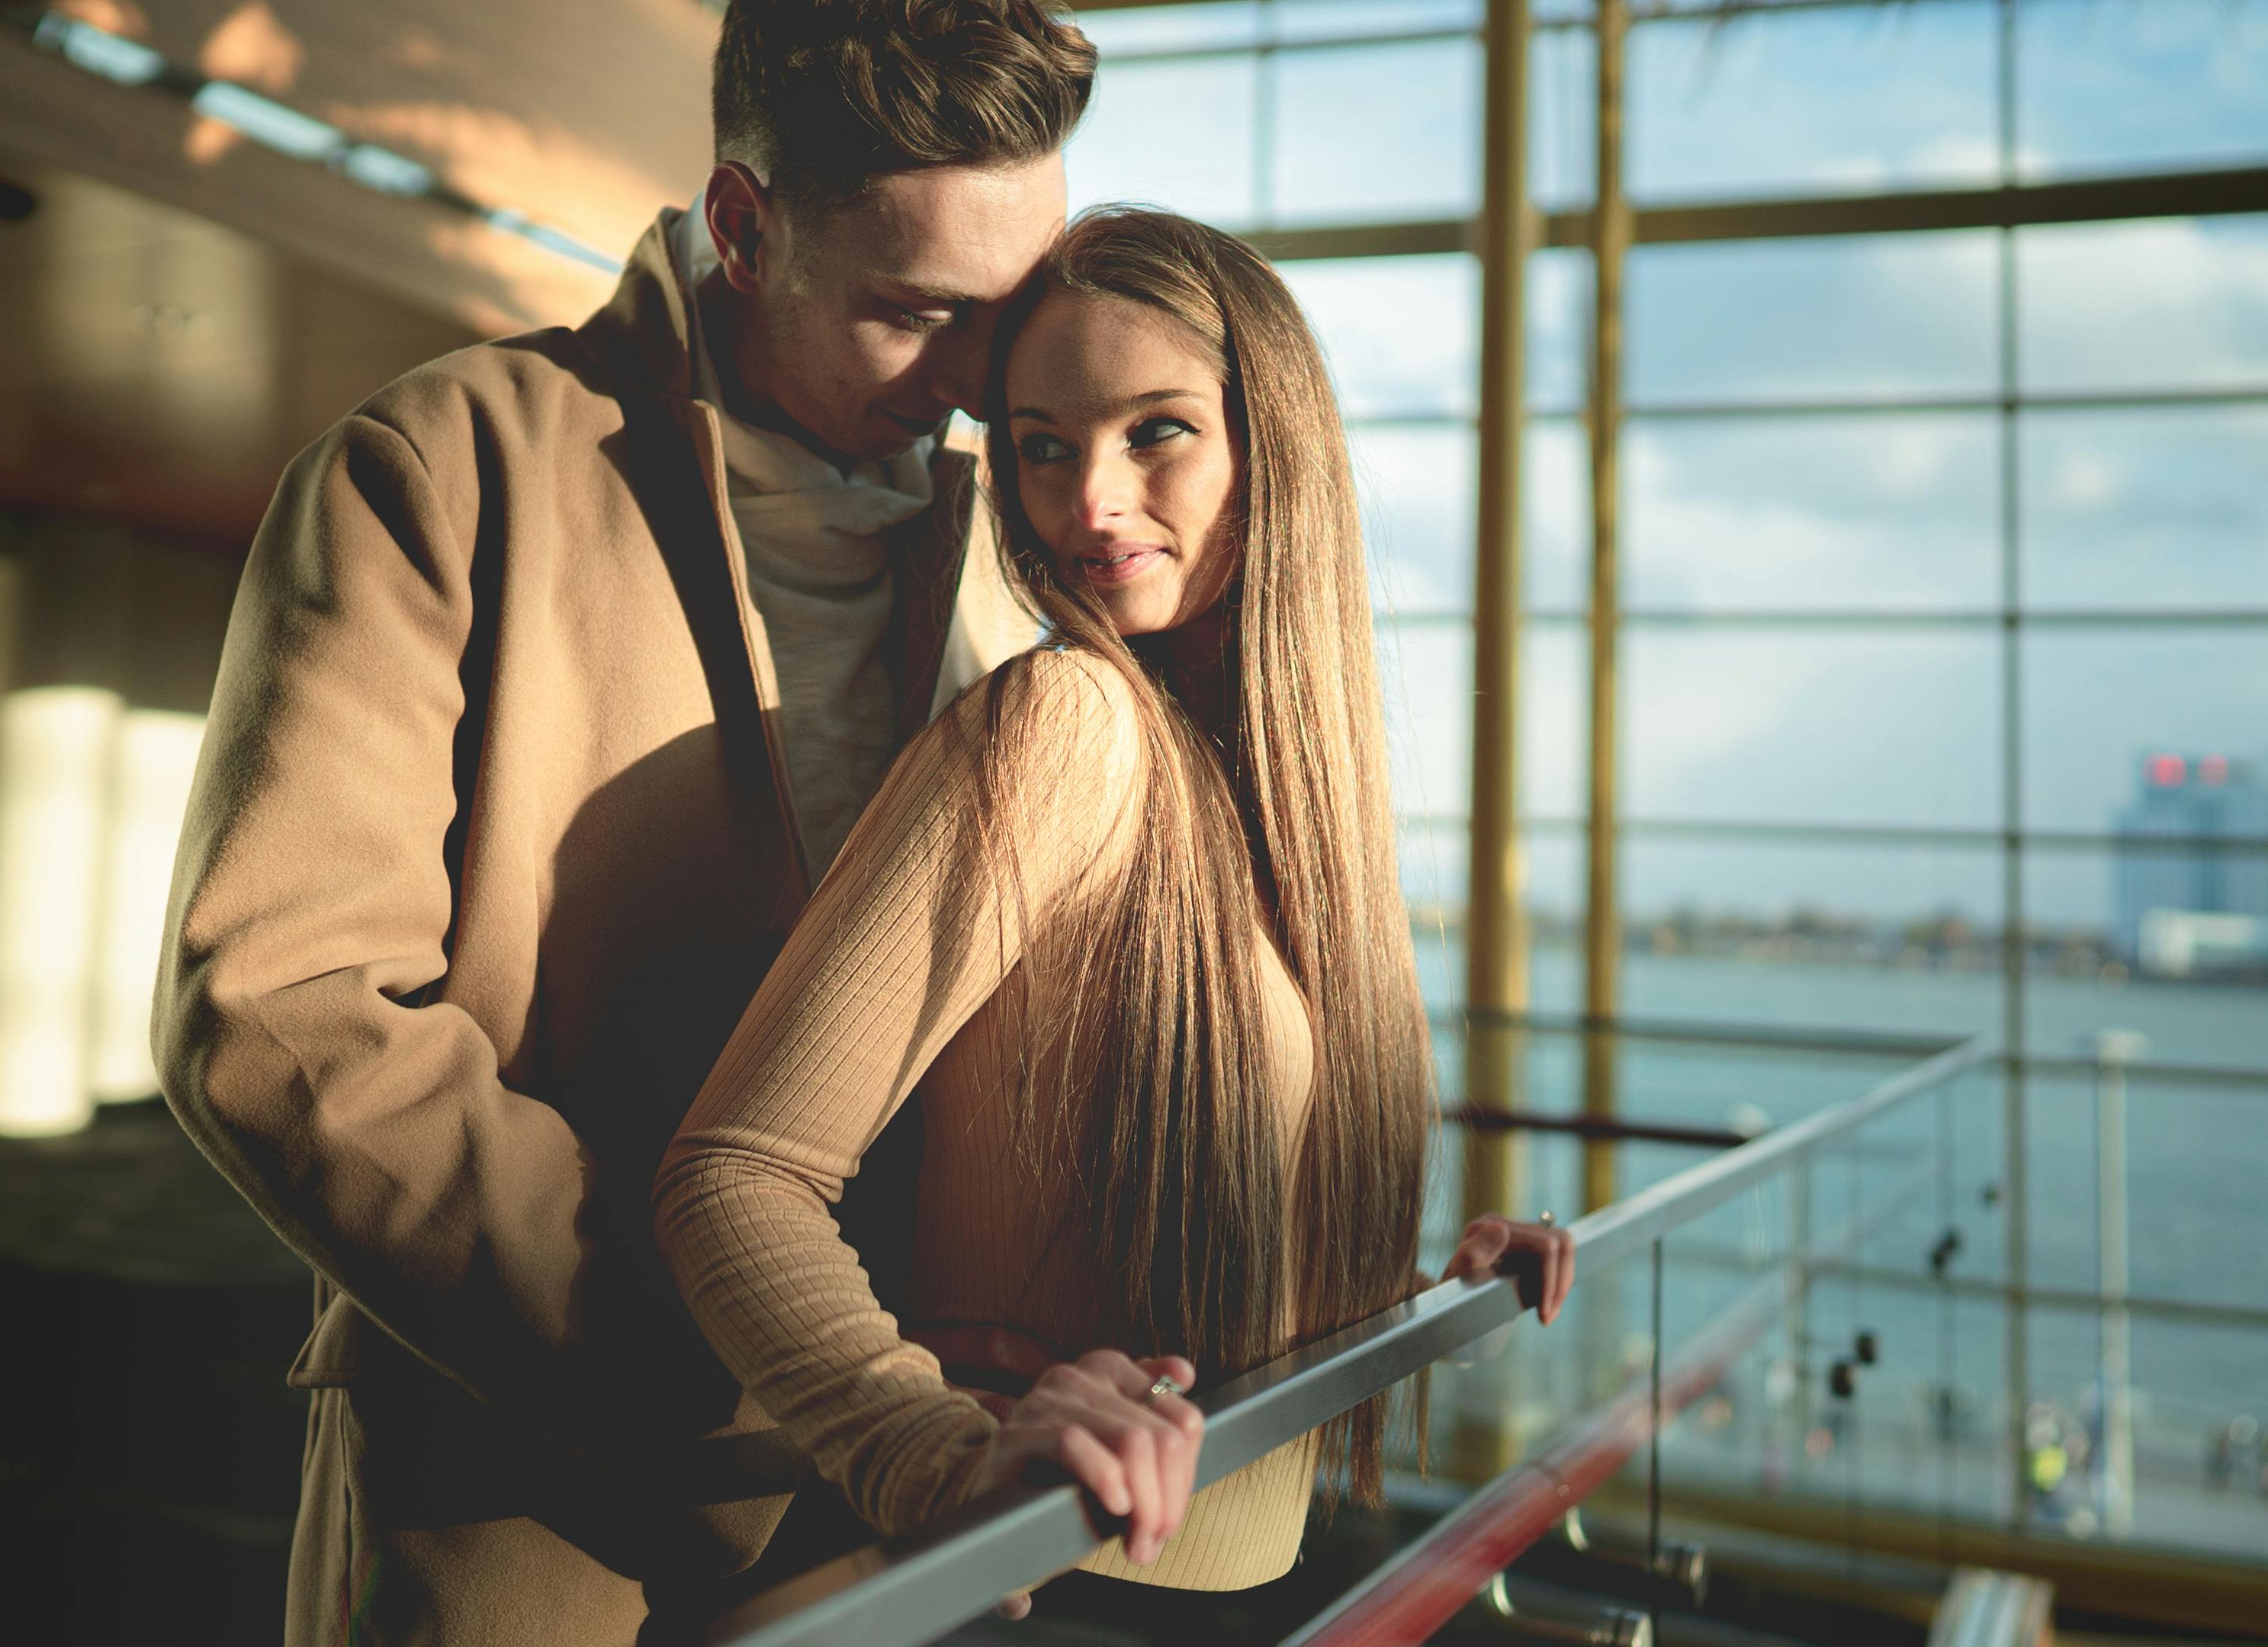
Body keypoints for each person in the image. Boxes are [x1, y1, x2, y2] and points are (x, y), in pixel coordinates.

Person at [150, 5, 1099, 1642]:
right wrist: (755, 1350)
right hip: (524, 1449)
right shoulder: (440, 462)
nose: (969, 377)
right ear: (743, 225)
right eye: (913, 312)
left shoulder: (1031, 518)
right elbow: (281, 1014)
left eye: (1006, 315)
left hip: (906, 1447)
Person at [653, 208, 1577, 1623]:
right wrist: (934, 1453)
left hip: (1218, 1597)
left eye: (1156, 432)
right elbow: (733, 1173)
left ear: (1271, 442)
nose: (1089, 501)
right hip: (1050, 1603)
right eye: (1042, 445)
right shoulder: (1063, 725)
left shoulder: (1275, 808)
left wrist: (1417, 1292)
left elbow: (1153, 1250)